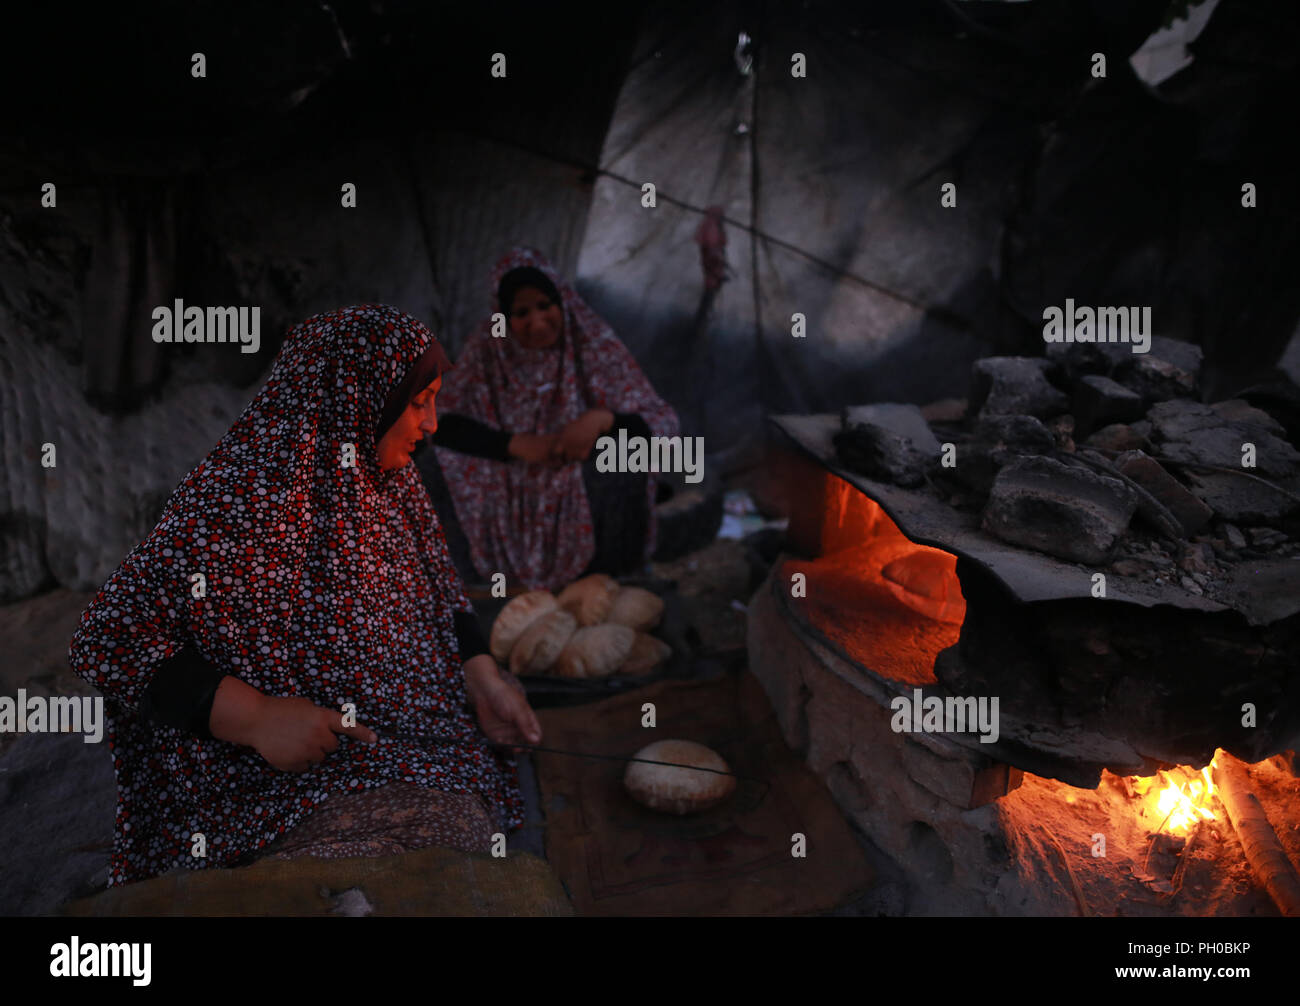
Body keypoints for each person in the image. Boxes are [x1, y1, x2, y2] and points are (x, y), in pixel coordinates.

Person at [68, 304, 541, 886]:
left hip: (391, 725)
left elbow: (442, 590)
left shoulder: (388, 476)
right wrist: (258, 717)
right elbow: (107, 636)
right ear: (354, 397)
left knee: (470, 801)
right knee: (446, 841)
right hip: (261, 772)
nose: (432, 424)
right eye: (419, 403)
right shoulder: (243, 497)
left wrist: (483, 678)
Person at [429, 247, 680, 590]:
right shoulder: (488, 350)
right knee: (430, 464)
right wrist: (516, 445)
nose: (536, 322)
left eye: (544, 306)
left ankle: (606, 579)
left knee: (626, 462)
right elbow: (441, 422)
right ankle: (478, 589)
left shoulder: (591, 344)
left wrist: (600, 421)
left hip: (575, 477)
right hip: (508, 479)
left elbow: (663, 425)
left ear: (562, 301)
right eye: (520, 312)